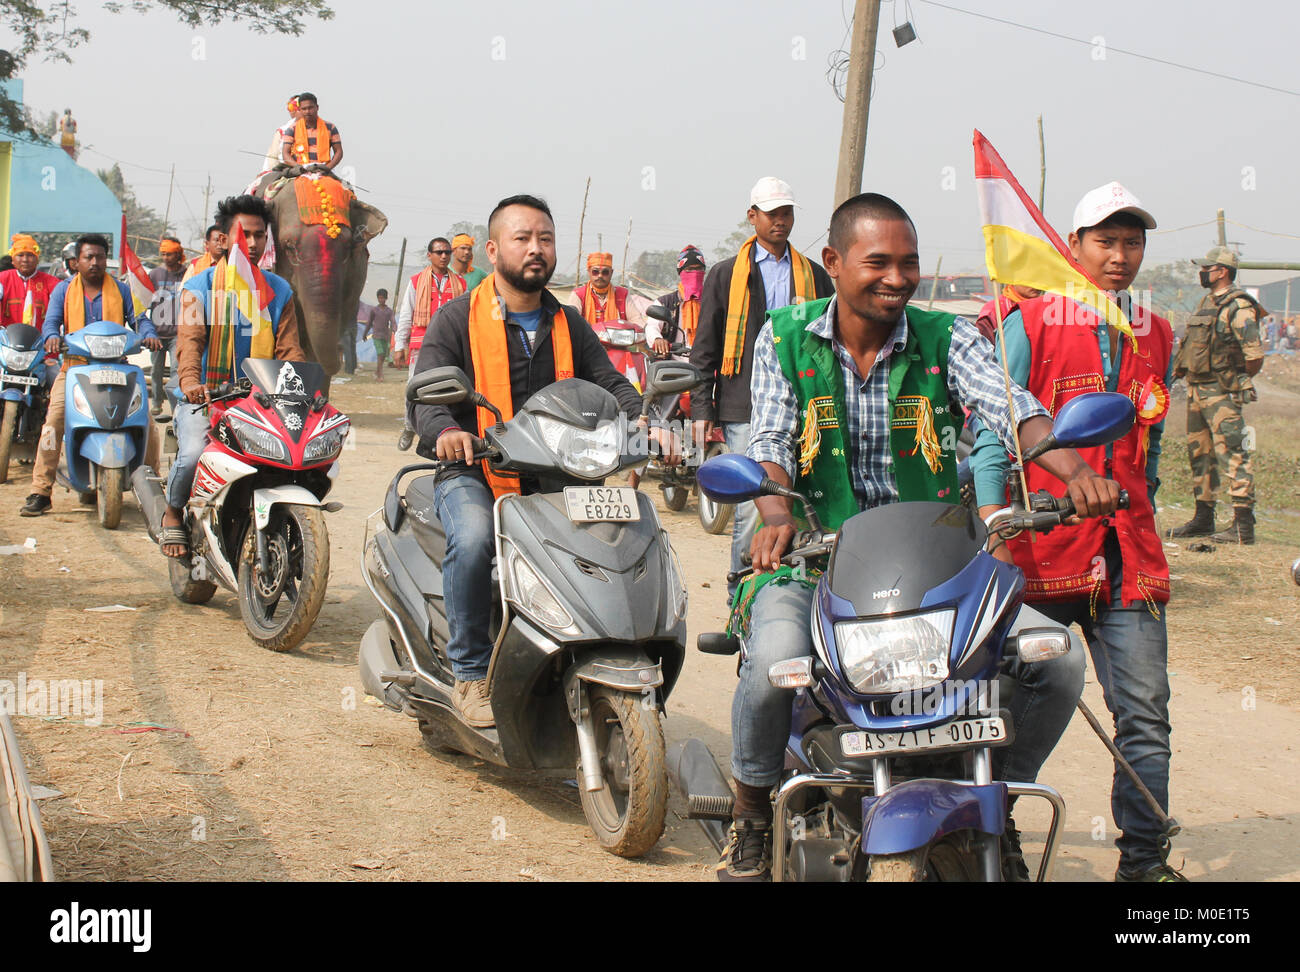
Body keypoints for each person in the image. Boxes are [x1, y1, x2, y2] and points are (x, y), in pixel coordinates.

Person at [715, 192, 1121, 882]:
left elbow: (1010, 407)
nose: (896, 278)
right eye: (878, 262)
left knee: (1056, 664)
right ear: (836, 264)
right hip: (814, 559)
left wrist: (1075, 469)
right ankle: (752, 812)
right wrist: (776, 518)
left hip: (931, 564)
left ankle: (992, 797)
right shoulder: (784, 335)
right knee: (774, 663)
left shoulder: (947, 337)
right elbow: (774, 437)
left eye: (908, 263)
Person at [970, 182, 1182, 882]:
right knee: (1008, 708)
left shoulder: (1156, 330)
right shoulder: (1028, 322)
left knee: (1145, 714)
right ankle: (994, 834)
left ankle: (1144, 863)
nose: (1120, 256)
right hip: (1040, 550)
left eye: (1132, 242)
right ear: (1075, 245)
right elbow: (996, 432)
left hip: (1129, 553)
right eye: (1106, 241)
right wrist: (996, 523)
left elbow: (1146, 444)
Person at [410, 194, 674, 727]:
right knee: (478, 537)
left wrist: (641, 419)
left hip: (557, 471)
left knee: (612, 540)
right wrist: (445, 433)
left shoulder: (568, 323)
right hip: (474, 468)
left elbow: (608, 380)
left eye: (545, 239)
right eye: (522, 238)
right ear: (492, 249)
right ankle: (470, 670)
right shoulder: (457, 317)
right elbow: (425, 395)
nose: (536, 249)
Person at [689, 176, 835, 605]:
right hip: (744, 407)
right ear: (752, 216)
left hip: (807, 406)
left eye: (787, 213)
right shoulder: (725, 275)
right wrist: (702, 408)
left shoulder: (816, 277)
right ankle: (743, 596)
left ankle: (795, 591)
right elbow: (706, 346)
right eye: (772, 214)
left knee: (803, 501)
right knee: (755, 505)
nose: (780, 221)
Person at [157, 196, 306, 559]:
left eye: (260, 236)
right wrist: (191, 383)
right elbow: (189, 344)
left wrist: (302, 388)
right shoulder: (199, 288)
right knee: (193, 454)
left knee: (296, 460)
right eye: (245, 235)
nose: (253, 244)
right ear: (223, 239)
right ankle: (173, 511)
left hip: (260, 403)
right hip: (207, 400)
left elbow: (290, 351)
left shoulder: (279, 291)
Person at [19, 235, 162, 516]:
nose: (94, 262)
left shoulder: (122, 290)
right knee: (53, 422)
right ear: (77, 262)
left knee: (146, 423)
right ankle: (40, 490)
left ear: (106, 261)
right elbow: (51, 321)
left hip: (118, 369)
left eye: (99, 257)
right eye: (88, 257)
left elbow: (140, 319)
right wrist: (50, 337)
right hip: (74, 367)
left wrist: (149, 335)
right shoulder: (63, 290)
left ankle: (152, 490)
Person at [1167, 246, 1265, 544]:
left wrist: (1235, 380)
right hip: (1198, 389)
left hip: (1221, 391)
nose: (1202, 272)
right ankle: (1203, 518)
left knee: (1233, 453)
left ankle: (1242, 526)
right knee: (1201, 454)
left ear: (1221, 271)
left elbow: (1254, 356)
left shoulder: (1239, 306)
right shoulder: (1207, 302)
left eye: (1207, 267)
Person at [394, 238, 466, 375]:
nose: (444, 256)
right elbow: (406, 315)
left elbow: (466, 317)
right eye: (439, 252)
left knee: (445, 387)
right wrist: (399, 346)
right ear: (429, 255)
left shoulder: (461, 284)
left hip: (449, 345)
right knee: (417, 386)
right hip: (421, 344)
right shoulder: (416, 281)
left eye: (447, 252)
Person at [146, 236, 187, 415]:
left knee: (176, 371)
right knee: (156, 370)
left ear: (178, 254)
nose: (165, 258)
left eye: (169, 254)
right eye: (163, 254)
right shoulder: (154, 275)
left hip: (177, 332)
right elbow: (145, 301)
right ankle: (156, 402)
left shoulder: (186, 274)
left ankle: (175, 406)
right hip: (157, 333)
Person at [647, 245, 707, 355]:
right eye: (689, 270)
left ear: (704, 272)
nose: (695, 273)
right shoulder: (665, 302)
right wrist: (657, 339)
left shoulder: (711, 302)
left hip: (704, 362)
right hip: (673, 361)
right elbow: (652, 326)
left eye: (699, 269)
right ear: (681, 273)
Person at [0, 234, 61, 327]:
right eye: (20, 255)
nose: (25, 260)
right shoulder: (2, 279)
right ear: (12, 260)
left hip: (41, 338)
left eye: (30, 255)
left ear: (37, 259)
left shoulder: (52, 282)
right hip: (7, 338)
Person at [280, 92, 343, 171]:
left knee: (335, 184)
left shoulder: (330, 127)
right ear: (299, 110)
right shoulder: (292, 129)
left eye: (310, 108)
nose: (307, 111)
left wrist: (327, 168)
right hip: (300, 170)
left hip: (323, 170)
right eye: (304, 109)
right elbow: (285, 153)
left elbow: (338, 151)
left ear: (317, 107)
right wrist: (299, 167)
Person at [361, 288, 395, 382]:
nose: (381, 300)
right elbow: (369, 323)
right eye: (379, 298)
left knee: (383, 355)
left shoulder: (389, 311)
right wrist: (364, 334)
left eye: (383, 298)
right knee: (380, 354)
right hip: (376, 336)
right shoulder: (374, 310)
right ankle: (380, 374)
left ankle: (377, 371)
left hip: (385, 336)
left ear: (386, 298)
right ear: (377, 299)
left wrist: (395, 329)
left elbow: (393, 321)